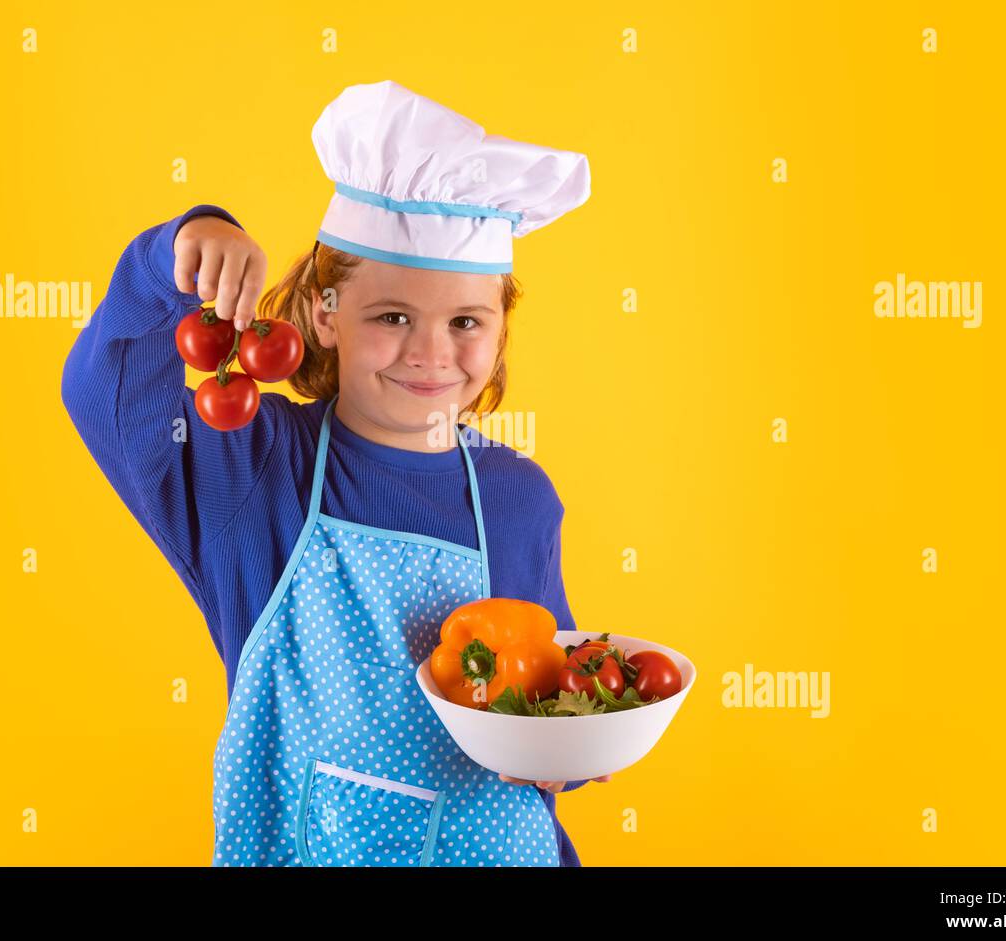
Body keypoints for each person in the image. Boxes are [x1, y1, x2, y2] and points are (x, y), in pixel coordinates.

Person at [61, 79, 605, 866]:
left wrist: (577, 746)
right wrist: (172, 255)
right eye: (391, 316)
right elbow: (104, 396)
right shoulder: (252, 467)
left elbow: (545, 701)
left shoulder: (521, 499)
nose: (429, 353)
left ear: (499, 328)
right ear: (323, 313)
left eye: (465, 321)